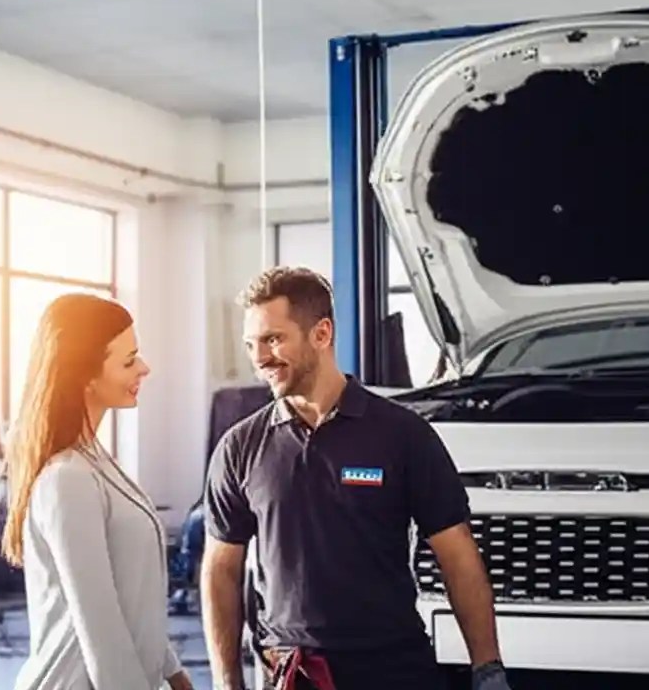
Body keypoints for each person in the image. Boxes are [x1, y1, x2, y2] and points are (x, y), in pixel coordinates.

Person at [200, 267, 511, 690]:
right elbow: (221, 571)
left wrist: (487, 667)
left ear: (322, 333)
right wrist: (225, 680)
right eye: (251, 344)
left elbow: (457, 556)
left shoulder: (403, 435)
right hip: (292, 675)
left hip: (392, 671)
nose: (259, 358)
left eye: (274, 339)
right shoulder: (240, 448)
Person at [4, 293, 193, 690]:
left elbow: (131, 598)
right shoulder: (67, 479)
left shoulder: (97, 463)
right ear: (85, 376)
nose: (144, 368)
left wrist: (173, 672)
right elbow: (101, 626)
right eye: (128, 361)